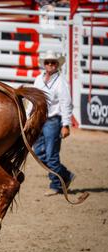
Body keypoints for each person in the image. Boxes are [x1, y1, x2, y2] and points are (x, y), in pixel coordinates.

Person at [32, 51, 75, 196]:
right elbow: (34, 100)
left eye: (53, 62)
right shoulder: (38, 79)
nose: (50, 65)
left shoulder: (61, 82)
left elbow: (65, 103)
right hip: (40, 120)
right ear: (44, 64)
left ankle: (57, 184)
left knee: (51, 156)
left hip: (53, 121)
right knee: (39, 154)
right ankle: (65, 176)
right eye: (48, 62)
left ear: (57, 65)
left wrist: (65, 124)